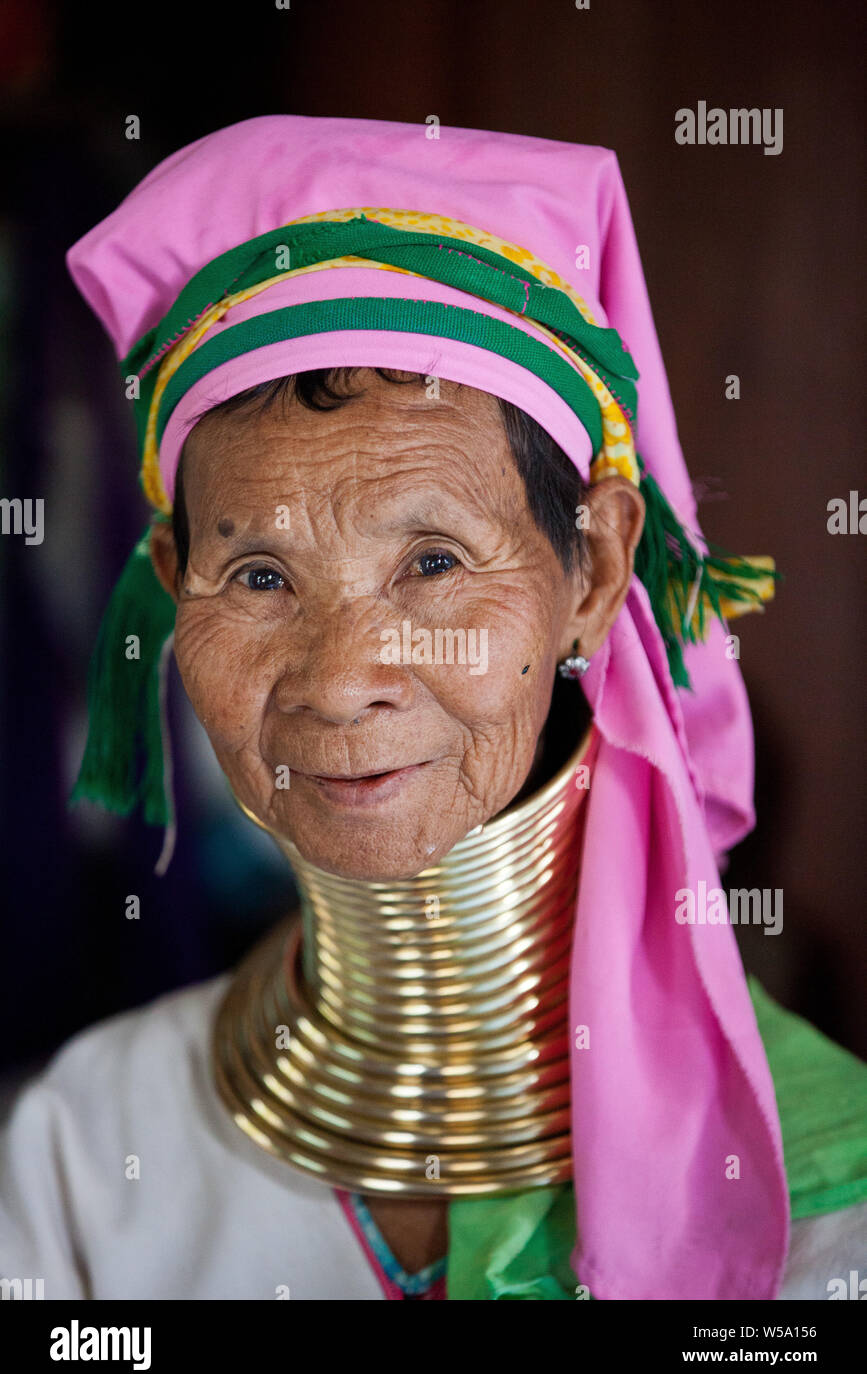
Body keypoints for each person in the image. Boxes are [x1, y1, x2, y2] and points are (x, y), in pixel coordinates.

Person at [1, 115, 865, 1301]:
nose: (342, 674)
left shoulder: (828, 1205)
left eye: (435, 561)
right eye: (258, 576)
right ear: (169, 578)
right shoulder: (84, 1153)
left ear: (596, 574)